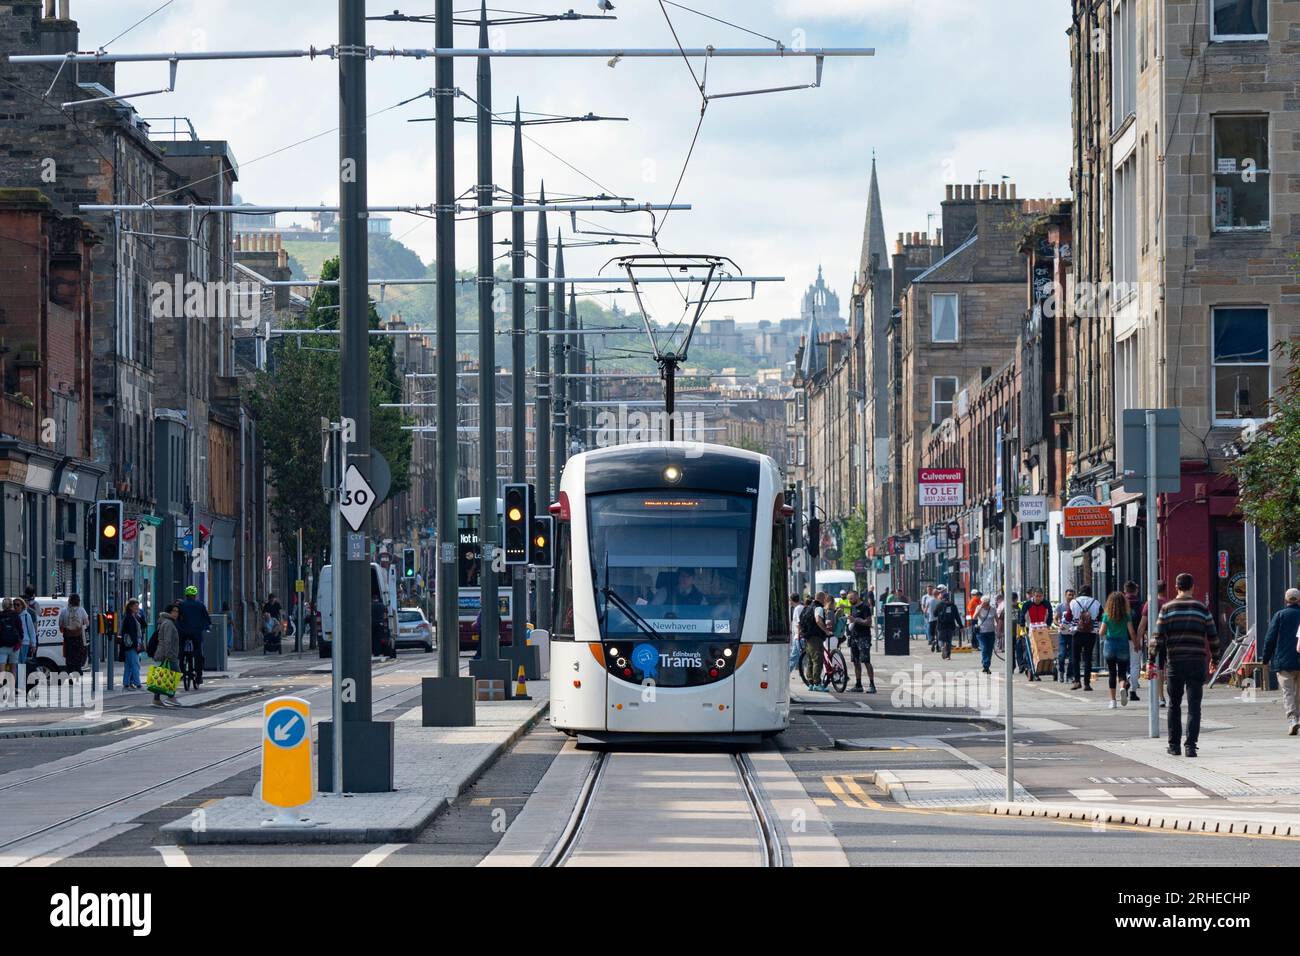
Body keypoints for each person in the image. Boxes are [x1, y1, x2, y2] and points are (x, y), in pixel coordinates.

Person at [1152, 572, 1219, 758]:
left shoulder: (1166, 608)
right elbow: (1213, 636)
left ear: (1176, 587)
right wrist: (1215, 658)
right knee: (1194, 705)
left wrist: (1151, 660)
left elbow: (1157, 637)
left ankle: (1174, 746)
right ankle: (1191, 746)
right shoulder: (1202, 609)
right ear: (1192, 587)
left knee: (1174, 704)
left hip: (1175, 662)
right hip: (1197, 662)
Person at [1260, 587, 1300, 736]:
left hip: (1283, 662)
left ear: (1285, 600)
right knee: (1298, 693)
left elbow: (1270, 639)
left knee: (1288, 692)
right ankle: (1297, 717)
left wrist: (1265, 658)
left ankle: (1292, 720)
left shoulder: (1279, 615)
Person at [1099, 591, 1137, 709]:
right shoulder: (1127, 615)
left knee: (1111, 672)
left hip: (1110, 644)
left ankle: (1113, 701)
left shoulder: (1106, 615)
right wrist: (1136, 643)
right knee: (1122, 671)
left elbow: (1102, 632)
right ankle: (1122, 687)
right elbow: (1131, 631)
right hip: (1123, 644)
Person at [1137, 581, 1168, 707]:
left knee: (1157, 667)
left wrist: (1137, 640)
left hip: (1155, 640)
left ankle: (1160, 697)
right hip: (1169, 639)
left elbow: (1142, 624)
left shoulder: (1149, 604)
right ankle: (1169, 693)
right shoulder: (1169, 603)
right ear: (1165, 589)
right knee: (1169, 667)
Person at [176, 585, 211, 689]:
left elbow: (178, 618)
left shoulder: (181, 605)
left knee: (181, 651)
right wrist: (207, 626)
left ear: (186, 595)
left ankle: (182, 669)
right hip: (196, 633)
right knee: (198, 653)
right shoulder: (200, 605)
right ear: (195, 595)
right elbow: (206, 618)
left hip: (183, 632)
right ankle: (199, 676)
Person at [1068, 586, 1101, 691]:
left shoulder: (1074, 602)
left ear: (1080, 592)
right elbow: (1101, 617)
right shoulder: (1096, 603)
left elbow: (1068, 617)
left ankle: (1077, 681)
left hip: (1077, 632)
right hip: (1091, 633)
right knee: (1088, 658)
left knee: (1075, 658)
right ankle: (1087, 683)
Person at [151, 604, 181, 707]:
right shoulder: (168, 623)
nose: (176, 613)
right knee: (176, 673)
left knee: (161, 675)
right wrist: (169, 654)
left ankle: (156, 699)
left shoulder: (166, 621)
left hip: (163, 653)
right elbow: (168, 640)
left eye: (177, 611)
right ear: (169, 612)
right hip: (167, 654)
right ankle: (171, 697)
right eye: (174, 611)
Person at [846, 590, 876, 693]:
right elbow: (852, 621)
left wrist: (856, 620)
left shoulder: (865, 607)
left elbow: (869, 622)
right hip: (854, 636)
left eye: (851, 598)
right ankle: (858, 684)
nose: (849, 601)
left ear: (857, 597)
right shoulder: (852, 607)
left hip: (864, 637)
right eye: (848, 599)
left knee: (866, 661)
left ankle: (872, 685)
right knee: (855, 661)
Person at [1022, 589, 1050, 681]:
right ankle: (1031, 668)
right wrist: (1022, 628)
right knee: (1031, 651)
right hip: (1030, 629)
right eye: (1036, 596)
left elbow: (1050, 614)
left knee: (1042, 649)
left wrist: (1048, 625)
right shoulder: (1027, 604)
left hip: (1042, 628)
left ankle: (1043, 667)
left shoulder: (1045, 604)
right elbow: (1022, 616)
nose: (1038, 598)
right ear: (1033, 596)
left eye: (1040, 596)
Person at [802, 592, 828, 691]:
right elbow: (818, 620)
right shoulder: (819, 608)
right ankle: (817, 683)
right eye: (825, 598)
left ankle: (811, 683)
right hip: (816, 637)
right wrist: (826, 630)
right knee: (818, 659)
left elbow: (801, 622)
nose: (826, 601)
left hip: (807, 637)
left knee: (810, 660)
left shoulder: (808, 608)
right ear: (822, 598)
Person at [58, 593, 90, 673]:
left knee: (69, 657)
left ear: (69, 601)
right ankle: (78, 670)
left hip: (68, 638)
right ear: (78, 601)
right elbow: (87, 623)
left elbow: (60, 625)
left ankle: (70, 672)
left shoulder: (64, 611)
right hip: (79, 638)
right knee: (79, 655)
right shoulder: (81, 610)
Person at [1123, 581, 1144, 702]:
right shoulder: (1140, 604)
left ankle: (1124, 681)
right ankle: (1133, 691)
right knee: (1135, 664)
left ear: (1125, 590)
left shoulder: (1119, 604)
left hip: (1120, 638)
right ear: (1136, 591)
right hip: (1136, 636)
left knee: (1122, 663)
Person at [118, 599, 145, 689]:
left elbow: (144, 625)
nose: (137, 608)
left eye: (138, 606)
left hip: (130, 643)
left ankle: (126, 682)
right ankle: (137, 683)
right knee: (135, 664)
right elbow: (132, 632)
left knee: (129, 664)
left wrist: (141, 616)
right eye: (135, 606)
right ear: (130, 607)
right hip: (131, 643)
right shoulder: (129, 618)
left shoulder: (135, 616)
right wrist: (136, 644)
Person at [934, 586, 962, 660]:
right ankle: (948, 655)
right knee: (949, 641)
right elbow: (957, 617)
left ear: (942, 598)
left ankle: (943, 647)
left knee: (941, 640)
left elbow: (934, 614)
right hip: (950, 625)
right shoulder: (953, 605)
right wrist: (961, 626)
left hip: (941, 625)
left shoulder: (939, 605)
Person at [13, 597, 36, 681]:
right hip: (14, 643)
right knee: (16, 664)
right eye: (14, 605)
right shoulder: (13, 615)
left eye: (18, 605)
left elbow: (32, 631)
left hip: (24, 643)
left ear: (22, 606)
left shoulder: (27, 616)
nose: (15, 606)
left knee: (21, 664)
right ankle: (17, 684)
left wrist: (33, 644)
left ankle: (20, 684)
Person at [0, 598, 22, 682]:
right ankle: (12, 688)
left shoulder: (0, 615)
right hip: (14, 646)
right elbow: (21, 631)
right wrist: (19, 642)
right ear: (11, 605)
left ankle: (1, 688)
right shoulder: (16, 615)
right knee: (13, 668)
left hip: (2, 646)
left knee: (1, 668)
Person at [974, 595, 998, 674]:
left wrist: (999, 630)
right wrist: (980, 608)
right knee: (984, 648)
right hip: (981, 632)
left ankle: (986, 663)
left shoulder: (993, 609)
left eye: (987, 603)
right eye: (984, 603)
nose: (986, 605)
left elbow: (997, 619)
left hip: (991, 632)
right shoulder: (978, 608)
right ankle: (986, 665)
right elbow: (974, 617)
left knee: (989, 650)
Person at [788, 595, 807, 675]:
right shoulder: (801, 607)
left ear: (792, 600)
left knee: (795, 657)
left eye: (790, 600)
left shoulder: (797, 608)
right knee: (800, 657)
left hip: (799, 637)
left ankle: (785, 674)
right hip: (799, 636)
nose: (789, 602)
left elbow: (799, 623)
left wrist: (799, 635)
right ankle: (805, 675)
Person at [922, 585, 938, 652]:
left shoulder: (932, 599)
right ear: (927, 590)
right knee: (929, 627)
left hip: (932, 615)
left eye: (931, 589)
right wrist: (924, 612)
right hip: (929, 614)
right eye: (928, 589)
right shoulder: (925, 597)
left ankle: (932, 640)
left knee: (931, 627)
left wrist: (925, 611)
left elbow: (926, 607)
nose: (930, 590)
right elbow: (923, 605)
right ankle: (931, 640)